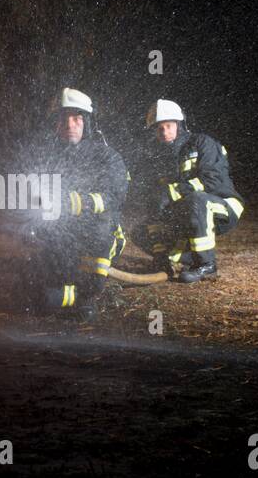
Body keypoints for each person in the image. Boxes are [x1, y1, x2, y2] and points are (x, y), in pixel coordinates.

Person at [23, 87, 128, 320]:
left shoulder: (107, 157)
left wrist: (73, 202)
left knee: (100, 227)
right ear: (56, 124)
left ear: (87, 123)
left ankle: (86, 297)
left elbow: (113, 197)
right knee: (33, 291)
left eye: (77, 118)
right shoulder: (49, 156)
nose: (70, 124)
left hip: (100, 235)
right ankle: (66, 294)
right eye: (64, 119)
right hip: (62, 235)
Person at [127, 99, 244, 283]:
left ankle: (206, 265)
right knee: (140, 231)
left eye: (169, 126)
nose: (164, 132)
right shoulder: (158, 157)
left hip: (222, 205)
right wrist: (160, 256)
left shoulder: (202, 143)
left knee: (196, 200)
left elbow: (212, 181)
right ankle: (179, 259)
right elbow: (156, 204)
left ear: (179, 124)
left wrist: (172, 192)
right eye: (159, 128)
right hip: (186, 211)